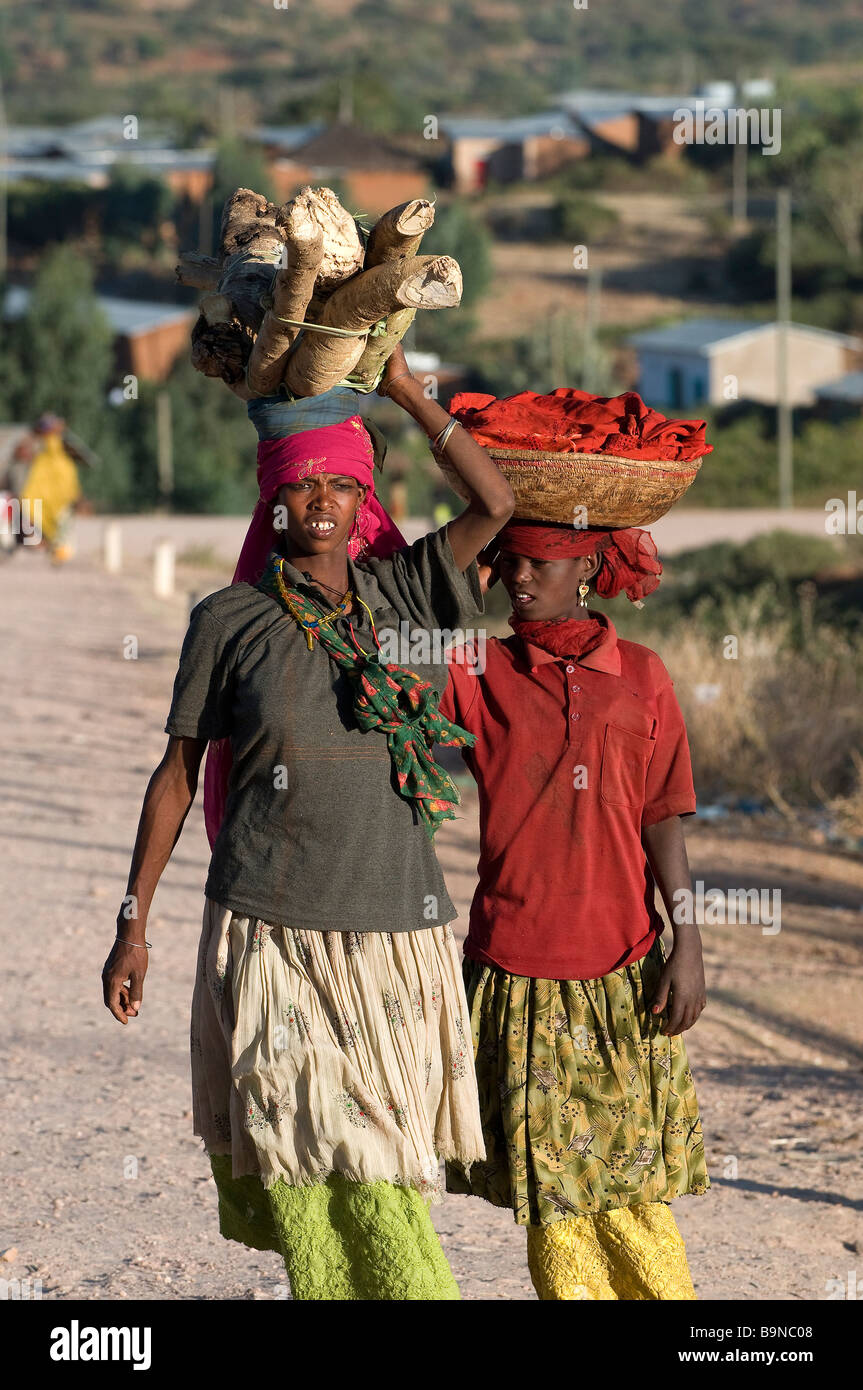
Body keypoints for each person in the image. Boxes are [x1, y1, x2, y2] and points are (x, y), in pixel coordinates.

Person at [101, 345, 514, 1301]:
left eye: (338, 481)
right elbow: (175, 775)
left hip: (390, 931)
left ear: (362, 494)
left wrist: (409, 390)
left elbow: (494, 508)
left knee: (373, 1166)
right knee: (297, 1159)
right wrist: (134, 923)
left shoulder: (405, 595)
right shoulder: (227, 620)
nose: (320, 499)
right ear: (272, 502)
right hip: (266, 926)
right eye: (301, 483)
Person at [440, 393, 711, 1302]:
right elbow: (386, 655)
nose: (518, 581)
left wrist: (689, 942)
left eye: (539, 568)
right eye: (507, 564)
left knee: (629, 1188)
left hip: (620, 968)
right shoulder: (475, 671)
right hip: (515, 970)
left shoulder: (641, 678)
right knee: (555, 1200)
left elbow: (662, 816)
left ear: (589, 570)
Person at [18, 414, 81, 564]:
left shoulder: (60, 459)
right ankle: (51, 547)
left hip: (56, 493)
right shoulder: (42, 453)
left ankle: (56, 550)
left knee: (60, 525)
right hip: (43, 492)